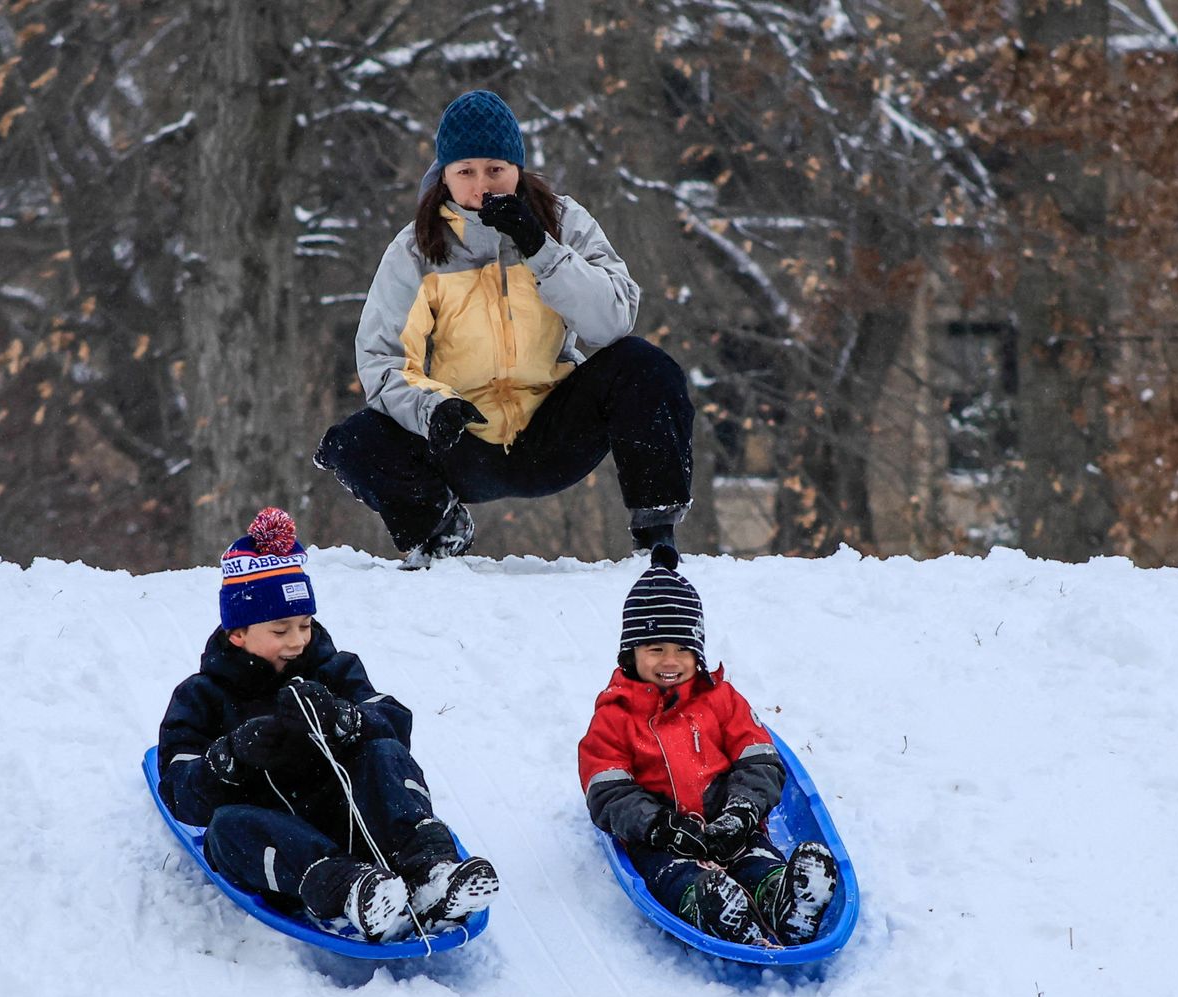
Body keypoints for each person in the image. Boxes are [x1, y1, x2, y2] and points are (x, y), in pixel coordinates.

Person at [314, 88, 695, 569]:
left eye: (495, 170)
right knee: (353, 440)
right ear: (444, 177)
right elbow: (383, 361)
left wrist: (540, 248)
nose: (482, 187)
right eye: (465, 172)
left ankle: (656, 534)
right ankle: (438, 527)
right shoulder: (415, 248)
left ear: (517, 169)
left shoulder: (565, 221)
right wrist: (433, 408)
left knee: (645, 365)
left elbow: (613, 320)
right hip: (463, 438)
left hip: (552, 434)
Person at [157, 507, 499, 941]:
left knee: (385, 753)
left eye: (304, 625)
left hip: (349, 813)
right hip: (283, 835)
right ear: (237, 633)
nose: (298, 640)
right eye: (280, 631)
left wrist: (347, 720)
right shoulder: (201, 696)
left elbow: (394, 723)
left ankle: (432, 874)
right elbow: (178, 790)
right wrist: (231, 757)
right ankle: (353, 892)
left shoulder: (333, 668)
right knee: (226, 829)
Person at [576, 562, 839, 946]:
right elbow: (608, 792)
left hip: (730, 825)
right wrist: (659, 826)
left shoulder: (722, 700)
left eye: (683, 648)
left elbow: (760, 760)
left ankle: (783, 899)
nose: (670, 661)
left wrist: (742, 812)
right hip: (662, 839)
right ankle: (711, 907)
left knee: (757, 859)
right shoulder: (614, 717)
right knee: (675, 875)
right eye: (656, 649)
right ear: (631, 653)